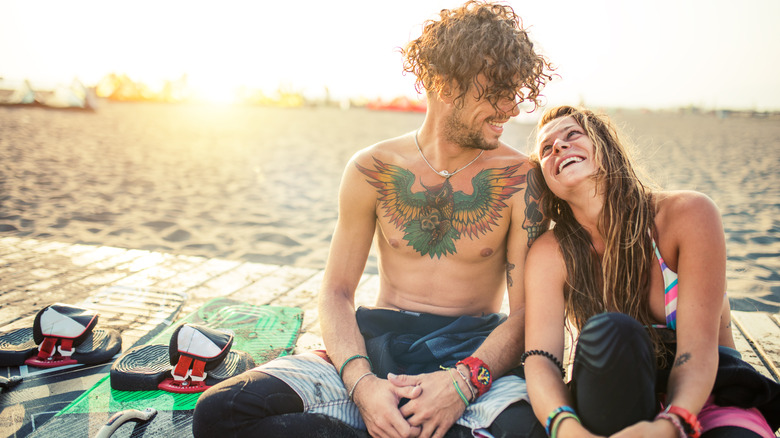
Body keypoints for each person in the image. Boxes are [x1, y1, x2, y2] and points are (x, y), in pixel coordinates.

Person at [192, 1, 554, 437]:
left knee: (531, 432)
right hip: (376, 345)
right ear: (443, 82)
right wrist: (362, 384)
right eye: (497, 90)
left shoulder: (521, 180)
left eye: (515, 91)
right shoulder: (372, 168)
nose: (511, 108)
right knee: (220, 411)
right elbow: (337, 291)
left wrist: (461, 384)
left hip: (472, 352)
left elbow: (527, 313)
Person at [522, 105, 780, 438]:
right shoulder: (550, 252)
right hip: (613, 392)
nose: (558, 147)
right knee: (613, 330)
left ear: (606, 147)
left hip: (709, 389)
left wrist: (671, 425)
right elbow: (541, 360)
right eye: (546, 149)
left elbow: (699, 351)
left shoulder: (687, 214)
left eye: (572, 135)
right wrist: (566, 428)